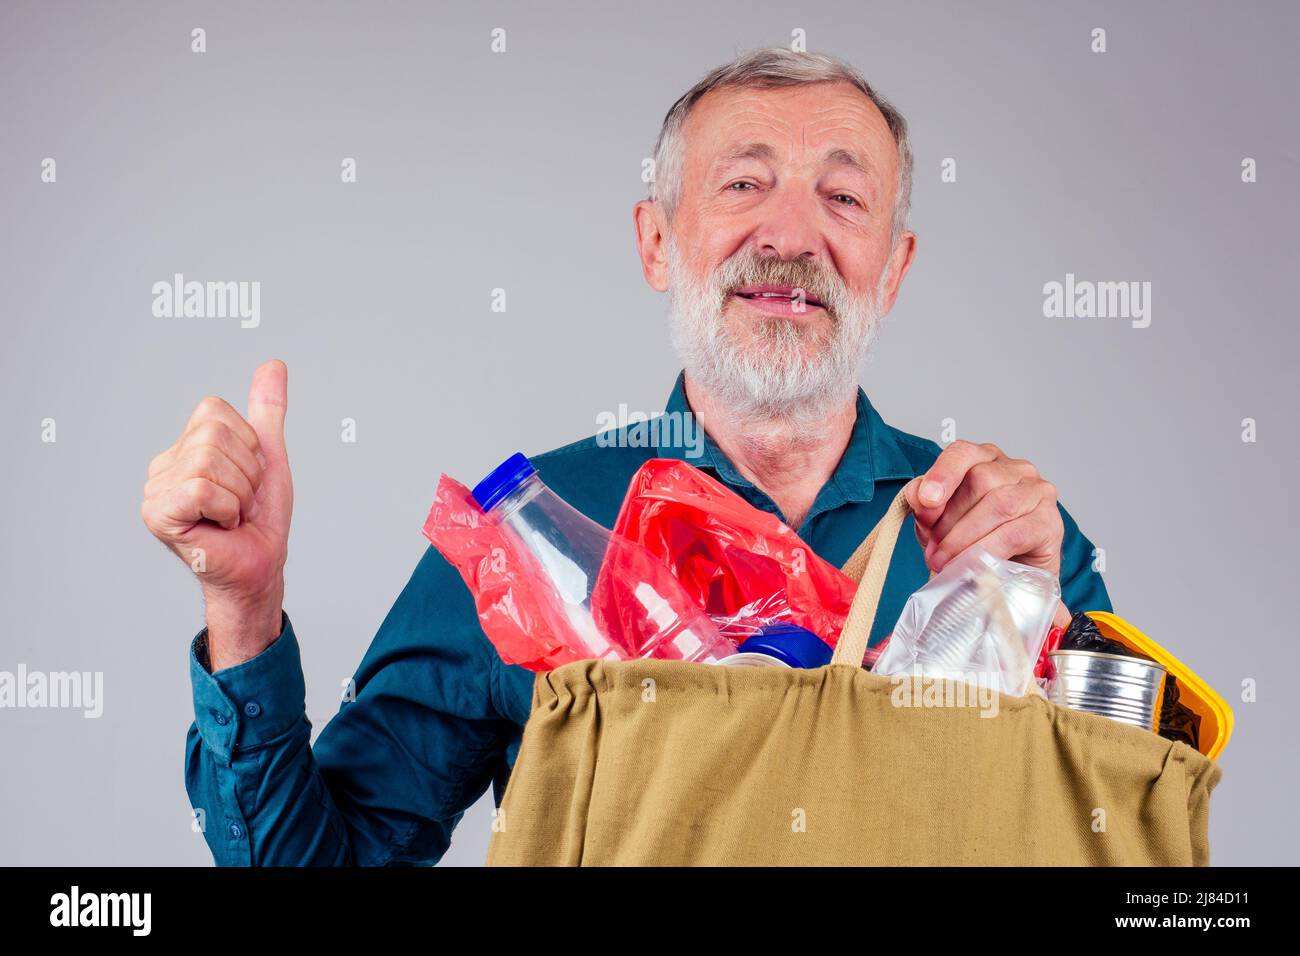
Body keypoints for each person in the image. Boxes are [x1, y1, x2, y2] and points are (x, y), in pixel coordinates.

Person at [141, 48, 1110, 865]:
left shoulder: (1005, 536)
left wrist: (1039, 628)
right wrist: (244, 607)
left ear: (891, 269)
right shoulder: (524, 529)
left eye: (844, 196)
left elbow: (1124, 859)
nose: (790, 235)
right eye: (743, 183)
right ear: (656, 242)